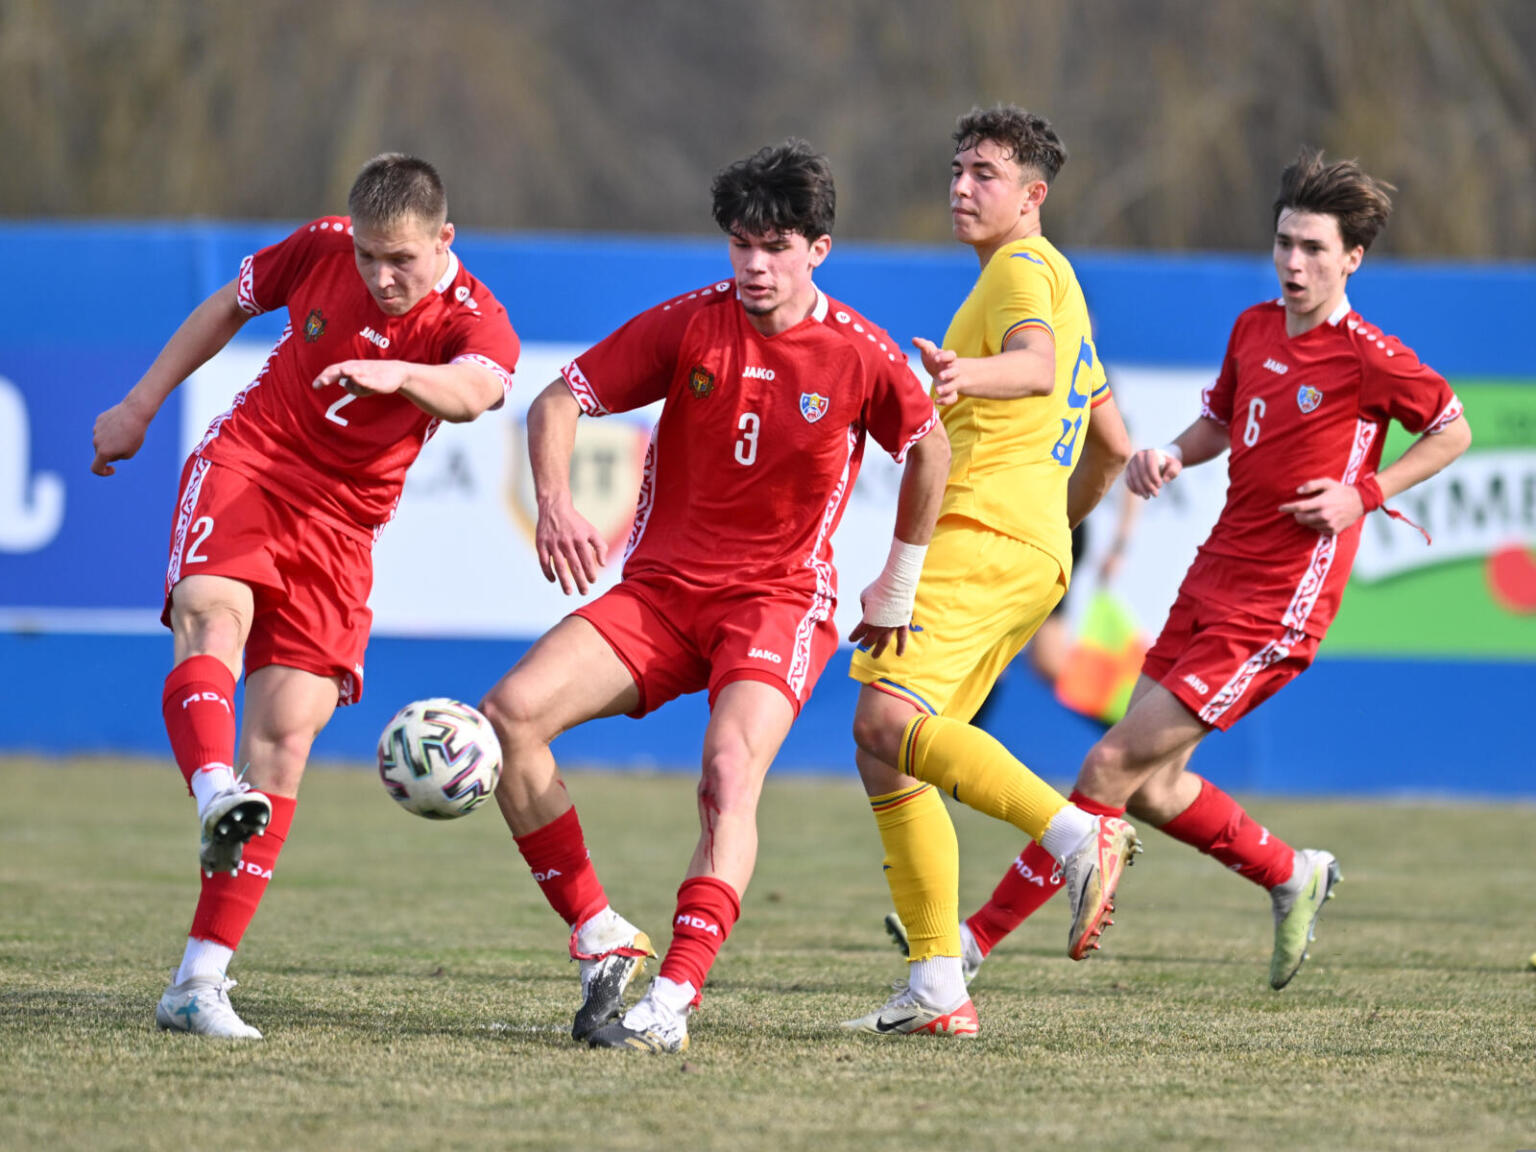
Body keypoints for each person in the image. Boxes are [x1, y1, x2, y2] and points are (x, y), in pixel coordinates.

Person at [912, 146, 1472, 991]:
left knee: (1107, 766)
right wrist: (1172, 454)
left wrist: (1366, 493)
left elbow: (1453, 430)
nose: (1293, 261)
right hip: (1215, 576)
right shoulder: (1253, 327)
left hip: (1280, 603)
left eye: (1314, 249)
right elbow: (1218, 421)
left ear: (1352, 258)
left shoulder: (1368, 355)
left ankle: (969, 944)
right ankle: (1291, 874)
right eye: (1285, 242)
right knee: (1148, 785)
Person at [477, 139, 950, 1055]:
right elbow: (554, 402)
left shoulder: (859, 355)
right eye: (741, 245)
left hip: (779, 603)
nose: (756, 265)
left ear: (819, 249)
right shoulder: (690, 325)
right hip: (660, 596)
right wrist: (556, 503)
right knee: (509, 718)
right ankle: (599, 932)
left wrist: (897, 586)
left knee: (728, 776)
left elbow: (929, 448)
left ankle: (674, 998)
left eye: (776, 247)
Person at [90, 154, 521, 1038]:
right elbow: (226, 307)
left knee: (285, 741)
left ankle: (198, 982)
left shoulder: (475, 317)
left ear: (445, 239)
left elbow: (478, 390)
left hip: (344, 531)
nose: (381, 275)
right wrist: (139, 403)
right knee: (213, 613)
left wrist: (403, 377)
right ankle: (214, 788)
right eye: (369, 257)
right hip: (252, 464)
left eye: (401, 258)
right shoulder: (320, 248)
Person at [839, 105, 1140, 1040]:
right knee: (887, 743)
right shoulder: (1060, 281)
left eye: (986, 174)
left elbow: (1037, 369)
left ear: (1033, 196)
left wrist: (969, 379)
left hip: (980, 537)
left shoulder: (1020, 269)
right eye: (959, 170)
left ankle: (1074, 833)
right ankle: (937, 986)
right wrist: (1050, 531)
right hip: (1026, 549)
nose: (963, 187)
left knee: (888, 718)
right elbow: (1112, 446)